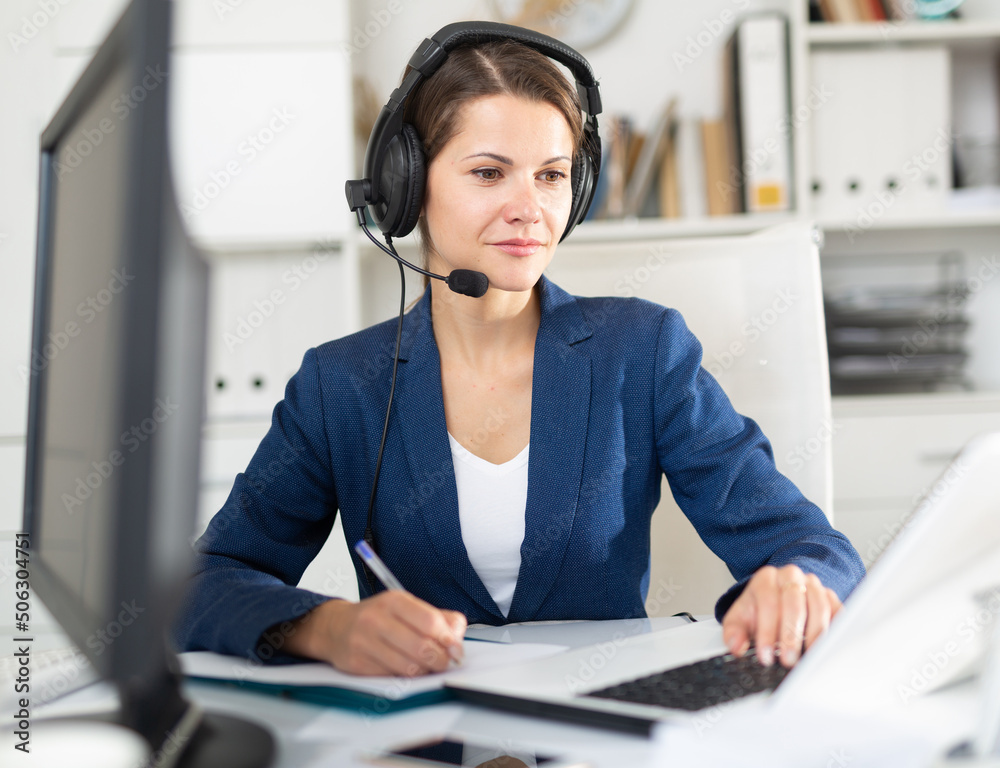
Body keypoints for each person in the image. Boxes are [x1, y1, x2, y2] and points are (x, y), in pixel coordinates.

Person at [173, 23, 865, 680]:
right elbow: (206, 583)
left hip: (598, 738)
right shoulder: (340, 386)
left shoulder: (643, 352)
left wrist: (794, 584)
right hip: (425, 740)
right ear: (406, 185)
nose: (529, 208)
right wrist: (325, 628)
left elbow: (817, 549)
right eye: (487, 173)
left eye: (552, 175)